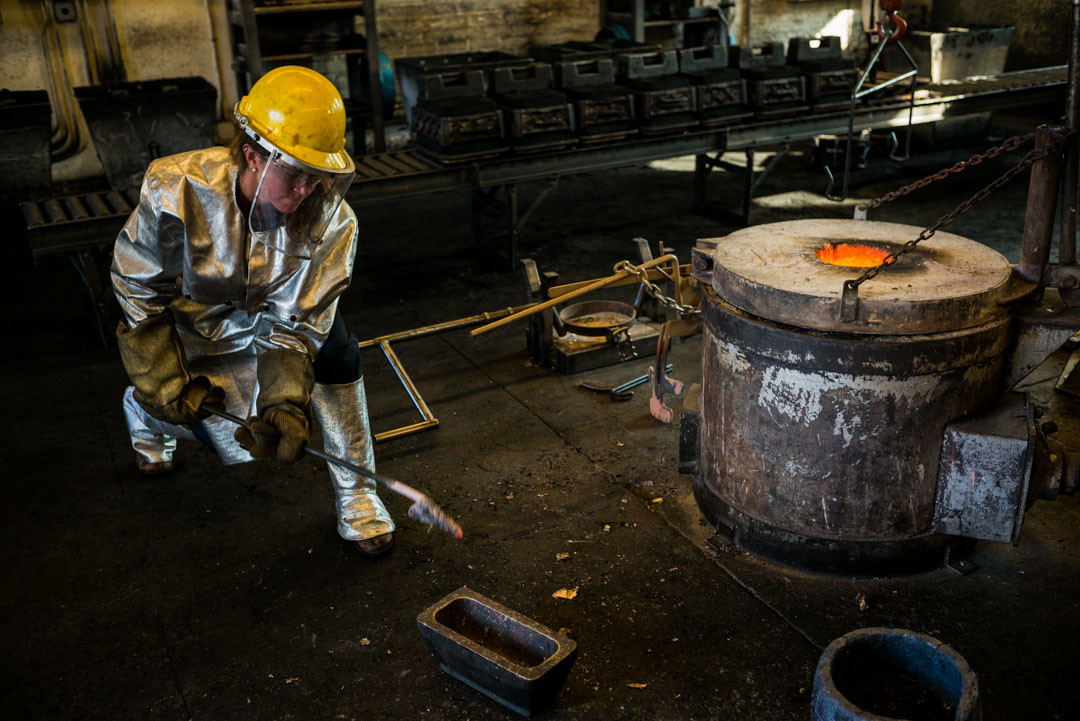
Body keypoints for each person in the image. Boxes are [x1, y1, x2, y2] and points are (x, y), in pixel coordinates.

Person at [110, 65, 394, 556]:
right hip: (195, 316)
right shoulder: (176, 190)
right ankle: (144, 413)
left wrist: (285, 399)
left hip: (276, 312)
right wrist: (158, 376)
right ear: (252, 157)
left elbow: (298, 323)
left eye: (318, 175)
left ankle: (358, 494)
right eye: (295, 174)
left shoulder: (332, 221)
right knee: (200, 415)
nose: (306, 189)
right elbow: (137, 283)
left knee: (338, 352)